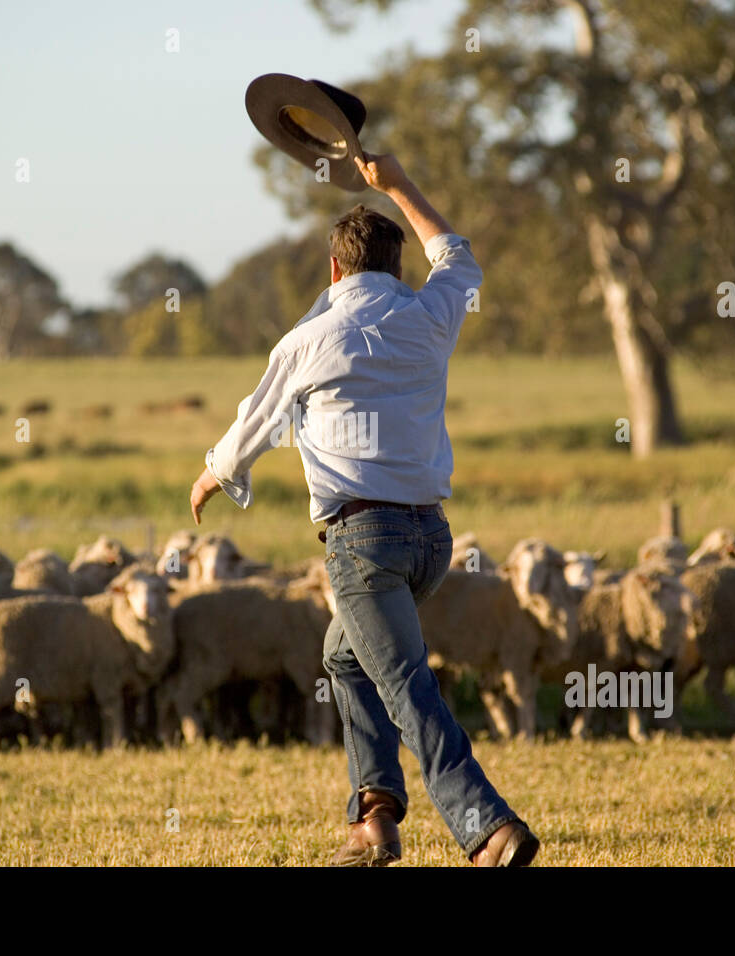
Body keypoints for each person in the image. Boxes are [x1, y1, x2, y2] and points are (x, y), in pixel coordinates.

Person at [189, 152, 539, 867]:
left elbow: (251, 425)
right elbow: (460, 259)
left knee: (406, 685)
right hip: (429, 543)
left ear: (334, 270)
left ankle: (488, 829)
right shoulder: (430, 317)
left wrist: (210, 478)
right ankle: (372, 821)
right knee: (345, 661)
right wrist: (400, 183)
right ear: (398, 267)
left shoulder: (308, 339)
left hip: (363, 543)